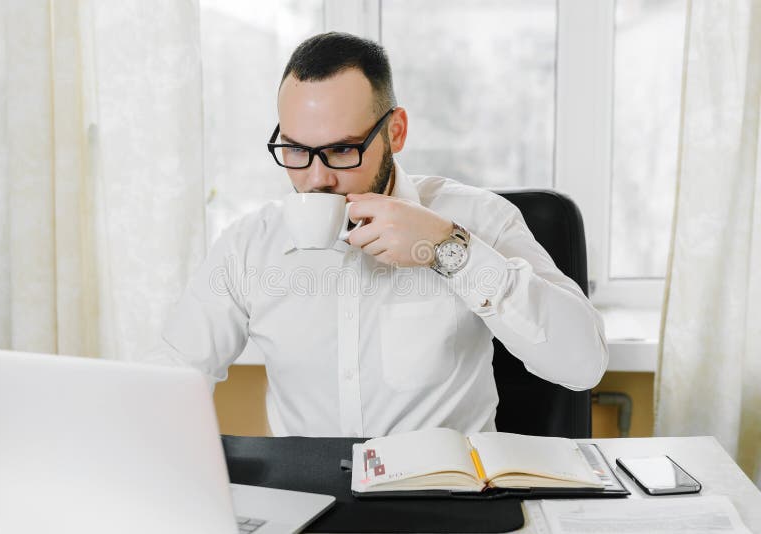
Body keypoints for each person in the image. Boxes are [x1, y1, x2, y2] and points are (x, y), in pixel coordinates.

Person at [144, 32, 608, 437]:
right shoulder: (250, 244)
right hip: (309, 503)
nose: (316, 178)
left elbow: (582, 365)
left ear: (396, 131)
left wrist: (450, 251)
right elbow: (169, 382)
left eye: (341, 149)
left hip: (445, 501)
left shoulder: (479, 217)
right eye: (295, 150)